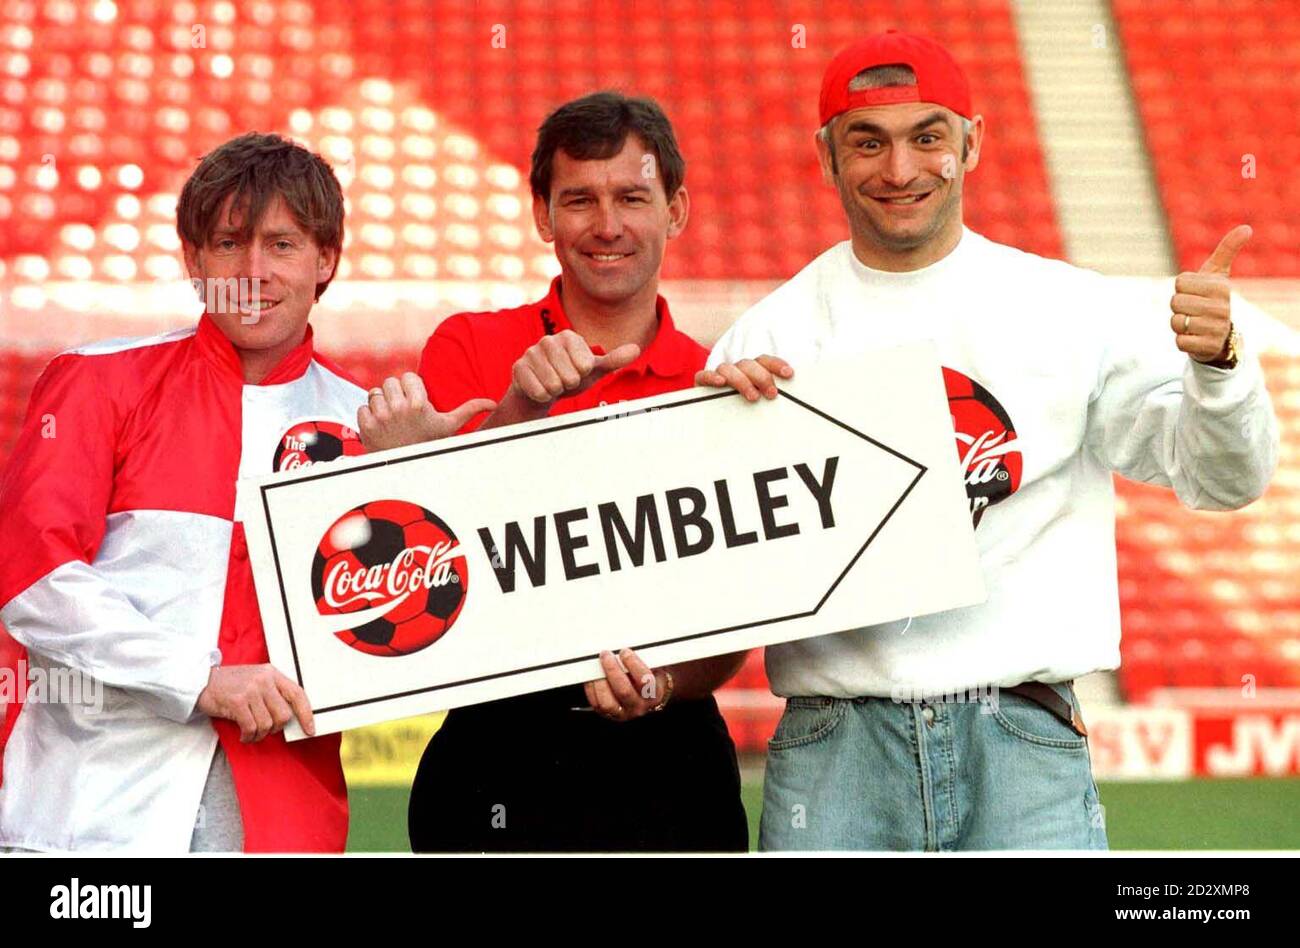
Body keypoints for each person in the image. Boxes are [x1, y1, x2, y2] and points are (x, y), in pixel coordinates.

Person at [700, 30, 1279, 850]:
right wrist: (719, 442)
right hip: (836, 752)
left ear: (972, 142)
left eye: (927, 137)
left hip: (1021, 741)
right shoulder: (766, 339)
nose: (899, 171)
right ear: (826, 156)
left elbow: (1224, 481)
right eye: (868, 142)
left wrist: (1219, 367)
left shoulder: (1072, 308)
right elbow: (726, 576)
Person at [0, 132, 487, 852]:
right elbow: (34, 580)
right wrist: (199, 680)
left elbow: (425, 631)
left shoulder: (369, 428)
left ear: (326, 260)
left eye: (282, 245)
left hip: (282, 821)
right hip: (90, 813)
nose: (253, 270)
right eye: (229, 244)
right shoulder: (96, 380)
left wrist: (419, 488)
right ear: (194, 260)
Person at [360, 92, 751, 852]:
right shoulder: (471, 347)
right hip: (497, 750)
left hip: (673, 755)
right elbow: (433, 573)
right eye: (580, 200)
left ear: (677, 209)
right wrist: (517, 410)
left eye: (632, 198)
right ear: (543, 215)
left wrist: (663, 681)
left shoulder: (719, 384)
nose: (607, 225)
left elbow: (739, 615)